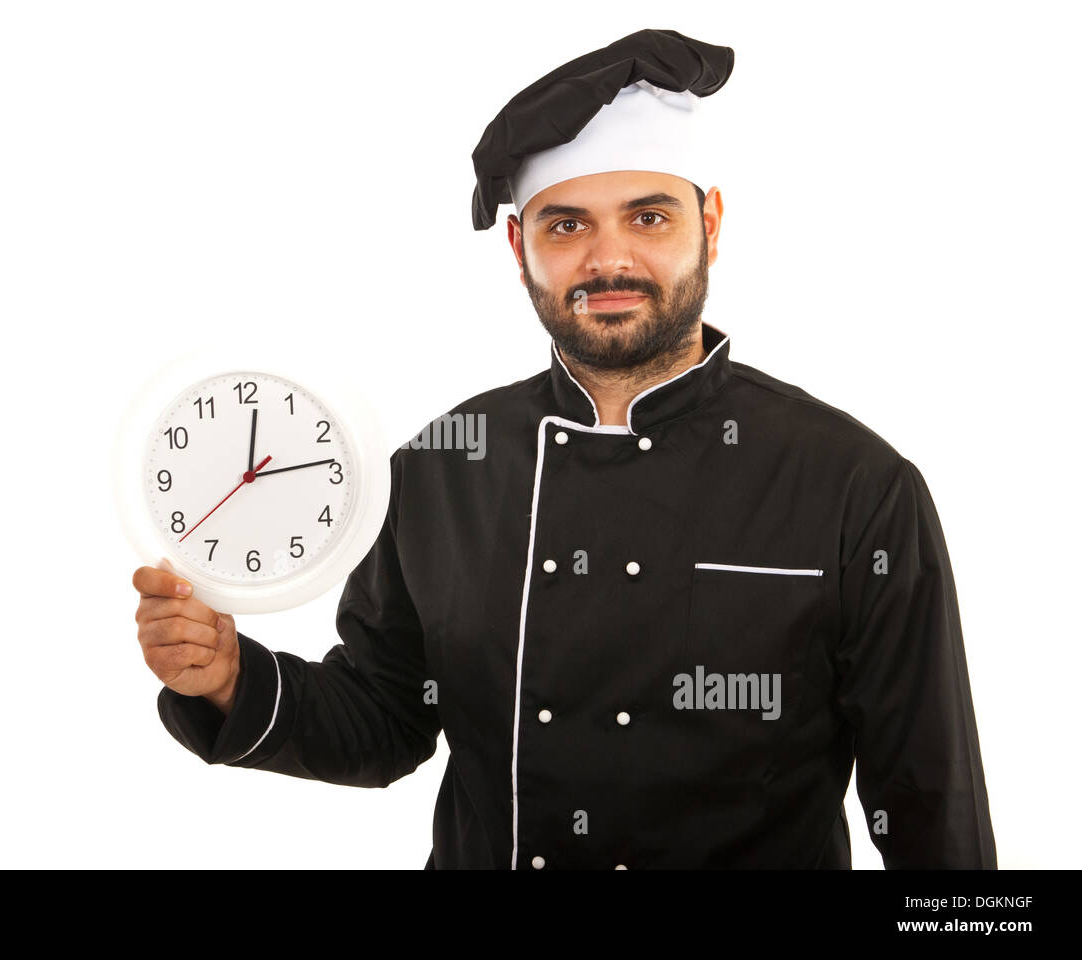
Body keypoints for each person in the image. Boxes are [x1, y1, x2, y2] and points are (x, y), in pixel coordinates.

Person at [133, 28, 996, 869]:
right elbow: (388, 717)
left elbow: (930, 800)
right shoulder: (441, 468)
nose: (607, 258)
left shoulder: (856, 486)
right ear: (520, 248)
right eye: (566, 225)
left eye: (649, 217)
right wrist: (232, 679)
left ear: (711, 224)